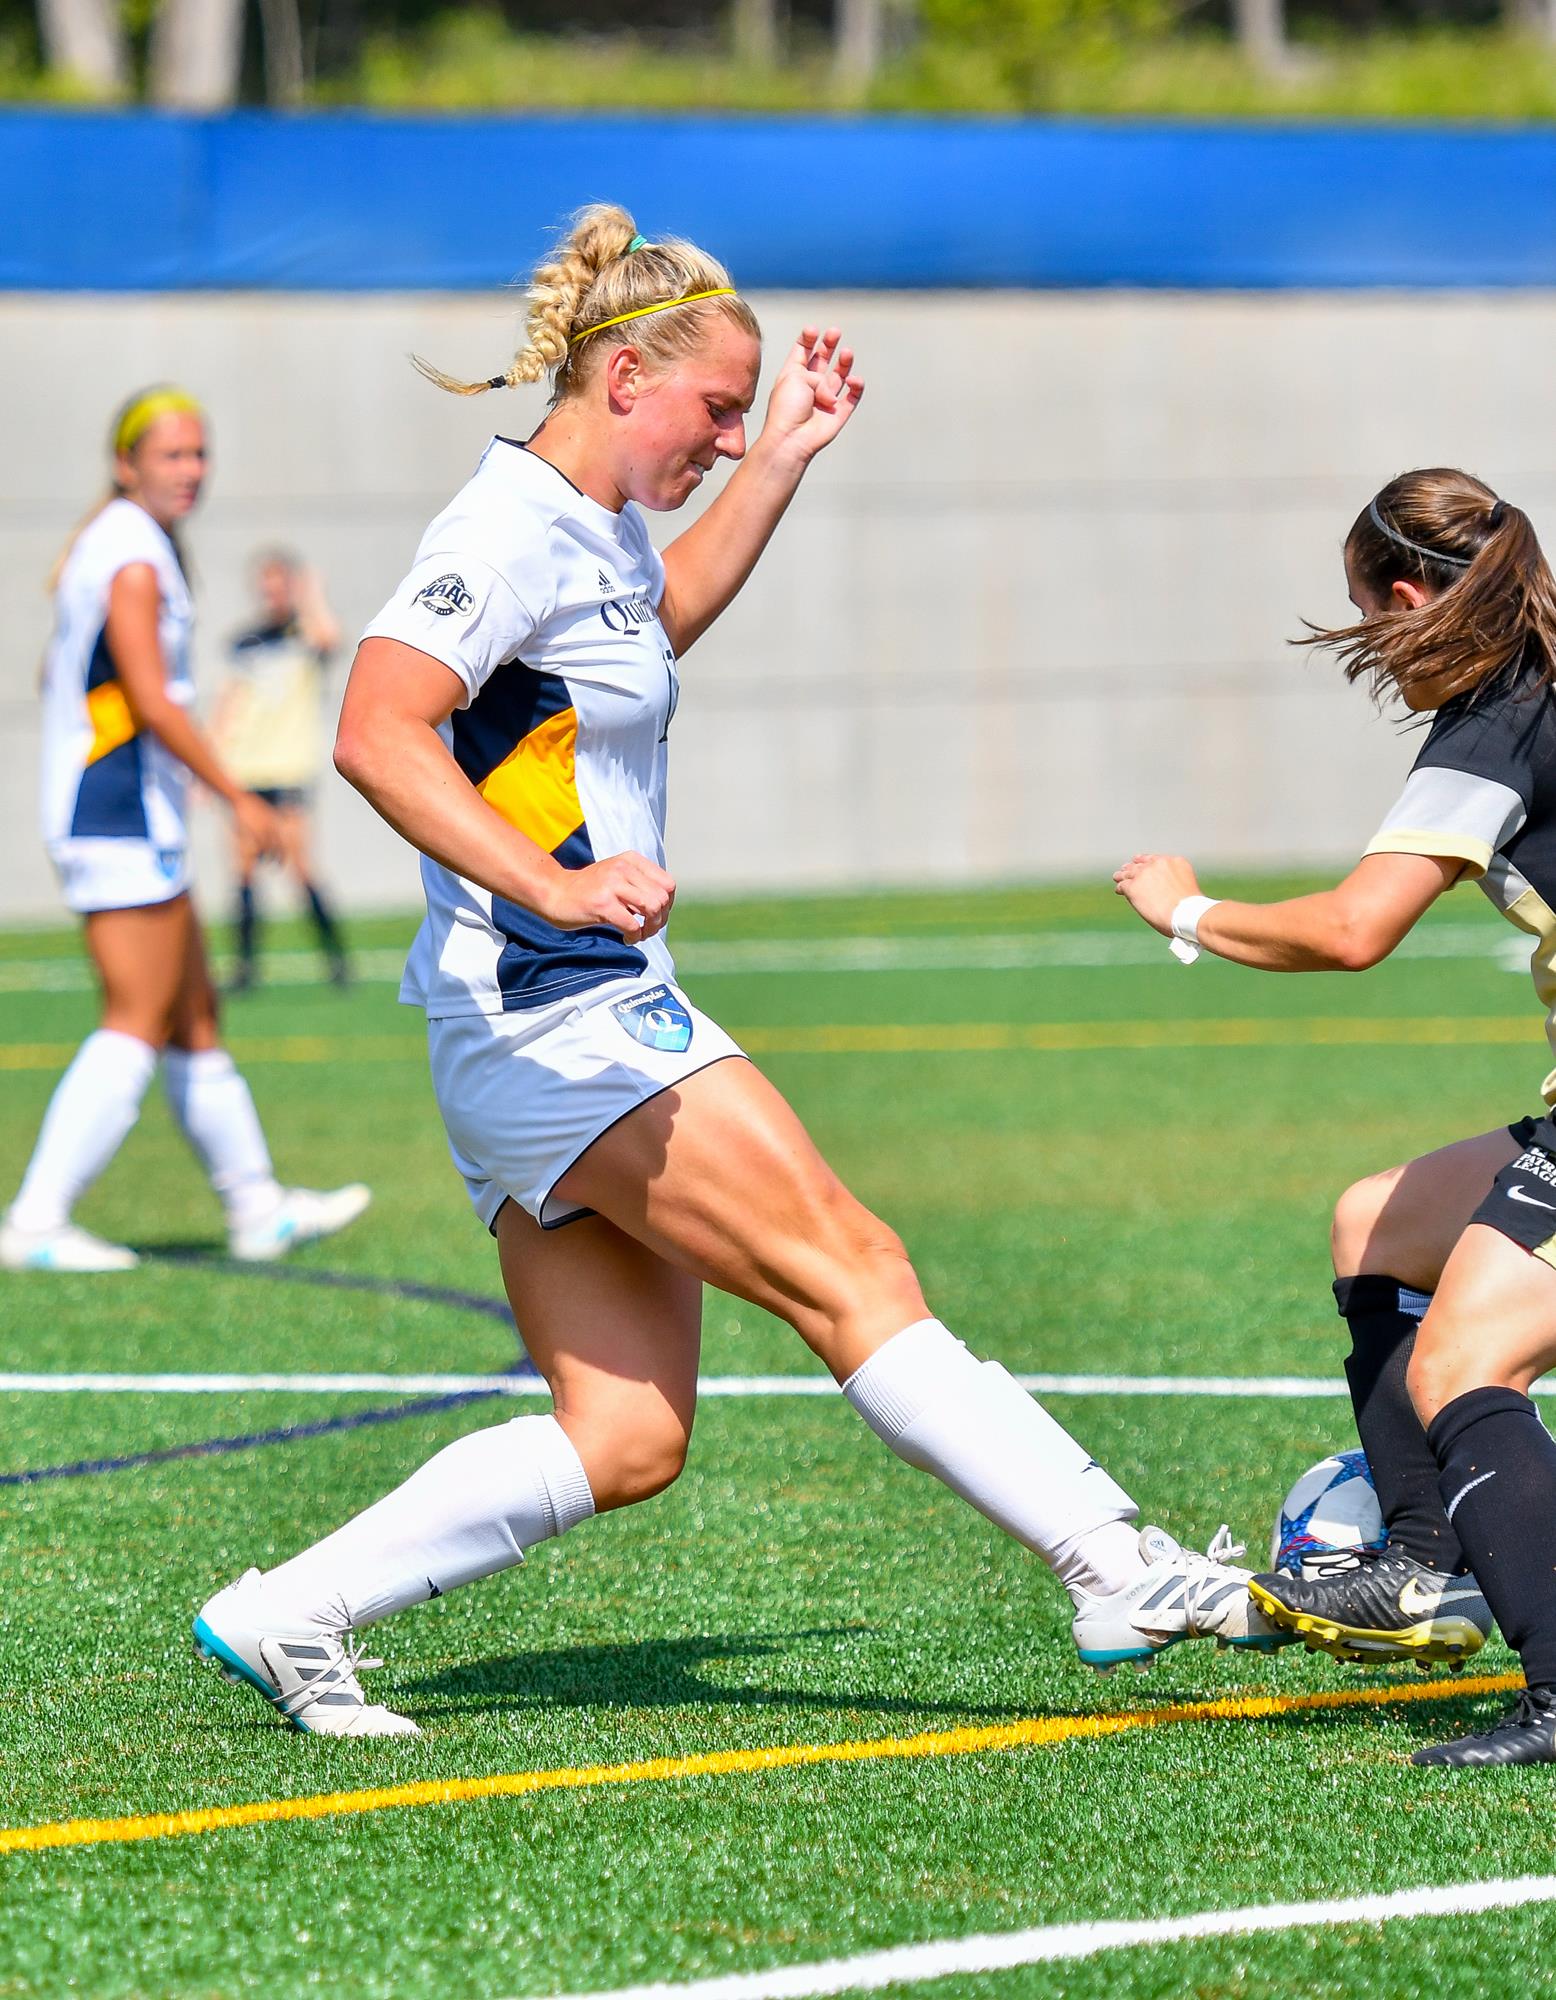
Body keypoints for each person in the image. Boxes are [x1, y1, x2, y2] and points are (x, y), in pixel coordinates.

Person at [192, 204, 1278, 1739]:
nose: (719, 433)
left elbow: (648, 626)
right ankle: (1118, 1564)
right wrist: (556, 879)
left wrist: (778, 461)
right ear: (624, 375)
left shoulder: (594, 531)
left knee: (626, 1433)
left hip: (522, 1032)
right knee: (859, 1267)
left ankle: (290, 1612)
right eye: (714, 409)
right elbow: (376, 729)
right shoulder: (501, 528)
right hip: (563, 1018)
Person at [1114, 465, 1556, 1768]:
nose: (1371, 653)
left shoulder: (1496, 721)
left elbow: (1355, 929)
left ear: (1415, 598)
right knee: (1375, 1225)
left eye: (1367, 622)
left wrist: (1186, 912)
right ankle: (1426, 1566)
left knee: (1463, 1362)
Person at [0, 387, 372, 1274]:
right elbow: (148, 699)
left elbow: (69, 674)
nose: (192, 472)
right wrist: (237, 795)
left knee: (195, 1017)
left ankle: (256, 1210)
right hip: (116, 816)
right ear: (126, 464)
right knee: (135, 1019)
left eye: (200, 454)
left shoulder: (124, 545)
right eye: (172, 456)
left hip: (128, 812)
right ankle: (38, 1221)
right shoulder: (130, 554)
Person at [212, 550, 351, 991]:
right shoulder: (245, 642)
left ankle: (337, 962)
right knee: (243, 871)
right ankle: (245, 969)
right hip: (244, 772)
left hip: (288, 771)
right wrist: (210, 762)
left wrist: (311, 595)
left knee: (301, 868)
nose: (272, 594)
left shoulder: (304, 636)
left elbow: (330, 638)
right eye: (266, 585)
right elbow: (229, 705)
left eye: (280, 584)